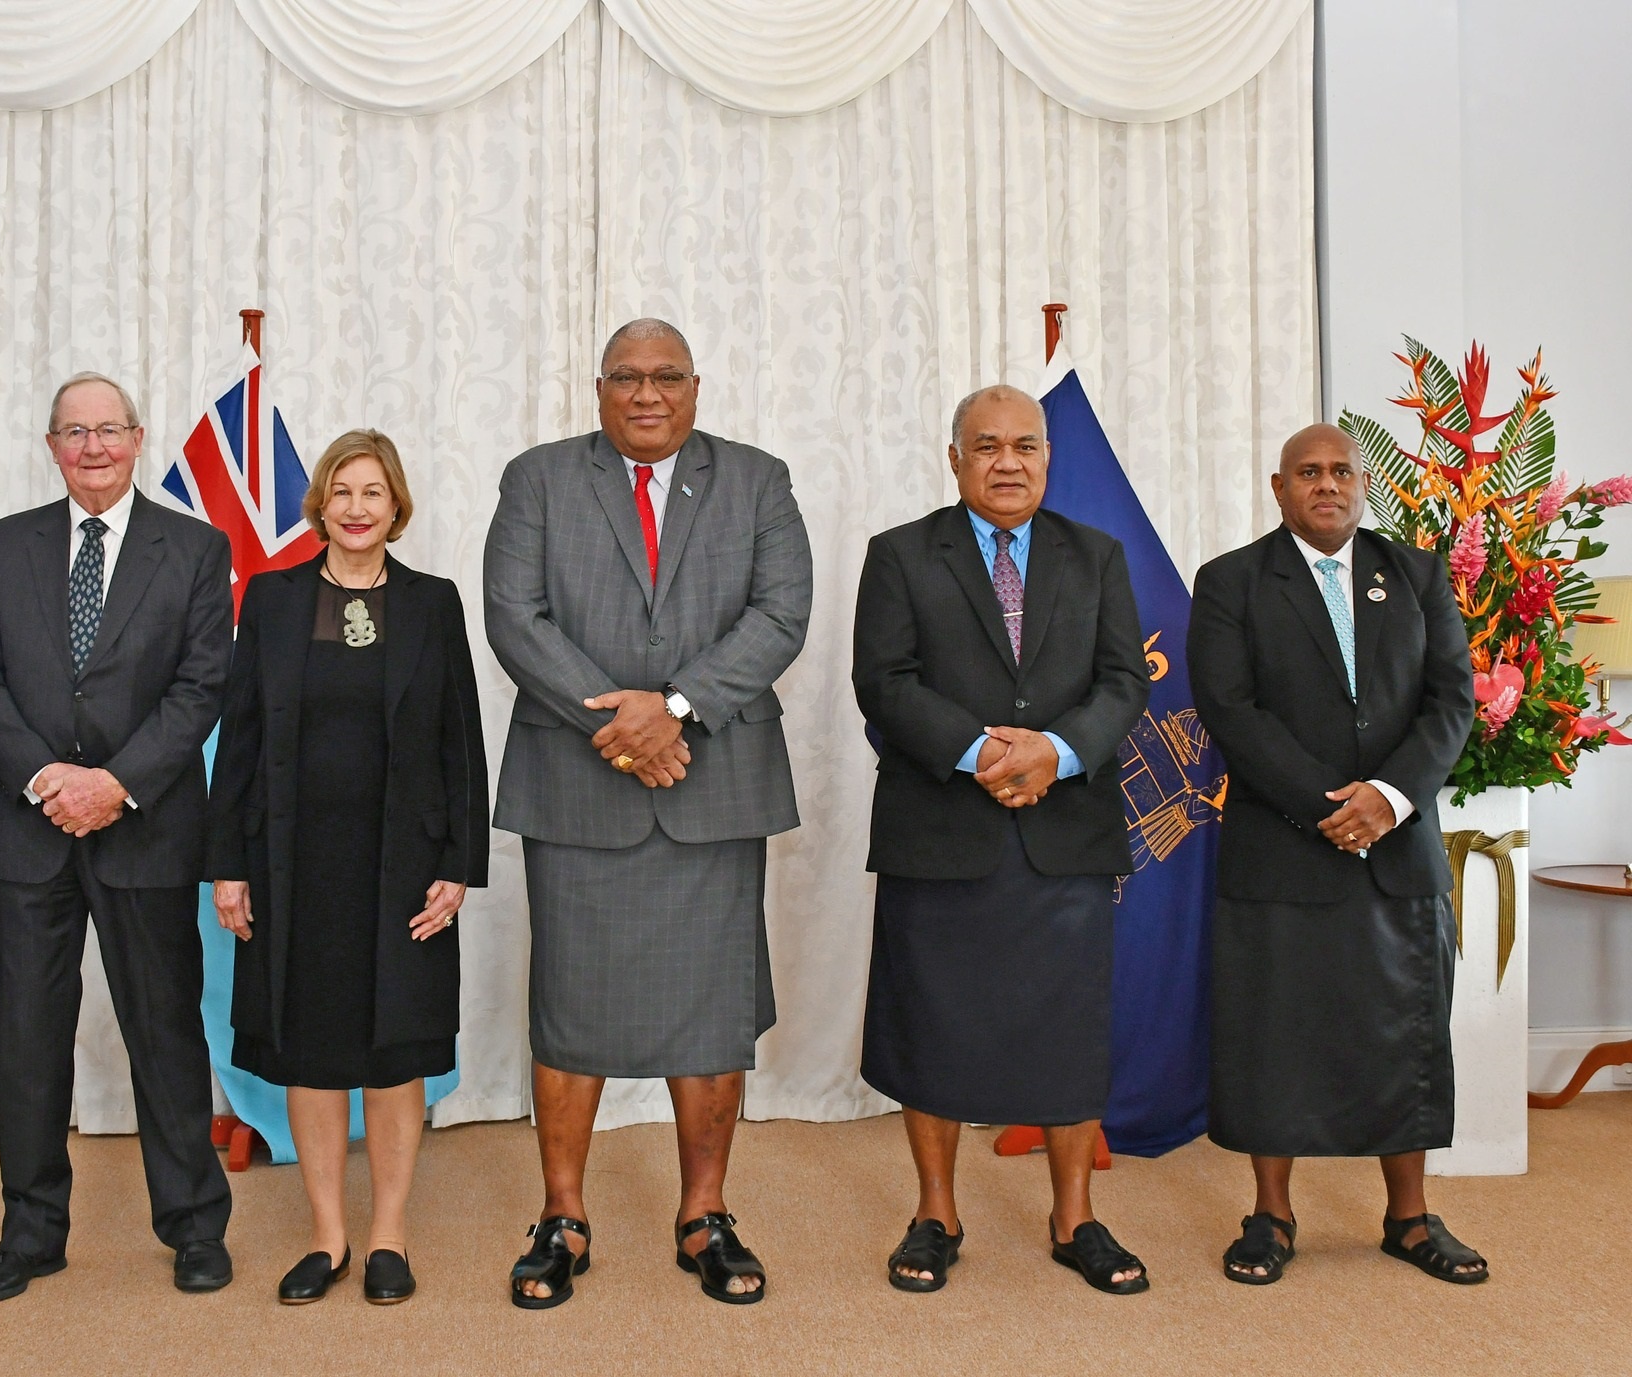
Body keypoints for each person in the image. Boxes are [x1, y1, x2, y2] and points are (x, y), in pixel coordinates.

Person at [483, 318, 811, 1308]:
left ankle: (702, 1215)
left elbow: (779, 614)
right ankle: (561, 1216)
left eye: (664, 375)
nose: (644, 392)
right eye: (624, 376)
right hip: (579, 784)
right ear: (597, 389)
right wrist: (620, 722)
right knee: (570, 1005)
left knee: (711, 1014)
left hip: (711, 783)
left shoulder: (757, 480)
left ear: (695, 387)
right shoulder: (538, 478)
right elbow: (513, 614)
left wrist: (670, 709)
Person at [852, 384, 1151, 1296]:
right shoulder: (901, 554)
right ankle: (936, 1213)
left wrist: (1056, 753)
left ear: (1048, 458)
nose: (1008, 461)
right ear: (955, 459)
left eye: (1025, 444)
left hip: (1065, 832)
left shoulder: (1096, 555)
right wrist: (980, 749)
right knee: (932, 1028)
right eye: (987, 445)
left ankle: (1075, 1217)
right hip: (941, 831)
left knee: (1068, 1034)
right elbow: (884, 681)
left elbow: (1123, 680)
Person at [0, 372, 235, 1302]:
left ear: (138, 437)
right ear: (51, 446)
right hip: (30, 827)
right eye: (73, 433)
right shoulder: (7, 544)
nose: (92, 448)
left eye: (107, 430)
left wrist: (115, 784)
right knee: (29, 1040)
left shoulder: (194, 547)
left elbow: (202, 686)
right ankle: (30, 1233)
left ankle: (194, 1224)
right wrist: (47, 780)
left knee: (164, 1030)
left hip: (144, 826)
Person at [1188, 423, 1483, 1286]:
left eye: (1342, 471)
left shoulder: (1419, 573)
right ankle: (1272, 1216)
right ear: (1278, 488)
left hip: (1398, 847)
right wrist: (1331, 804)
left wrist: (1387, 799)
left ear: (1365, 485)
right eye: (1308, 472)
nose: (1327, 484)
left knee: (1409, 1031)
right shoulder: (1232, 581)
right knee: (1272, 1035)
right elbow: (1230, 710)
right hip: (1281, 846)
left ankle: (1410, 1217)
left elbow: (1452, 699)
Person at [206, 429, 489, 1306]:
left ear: (395, 505)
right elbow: (241, 736)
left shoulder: (435, 602)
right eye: (342, 491)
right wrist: (228, 864)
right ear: (319, 504)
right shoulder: (273, 598)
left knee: (395, 1054)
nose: (358, 507)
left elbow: (461, 743)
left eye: (373, 492)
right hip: (292, 863)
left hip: (403, 865)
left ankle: (388, 1235)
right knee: (312, 1052)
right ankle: (328, 1235)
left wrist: (459, 865)